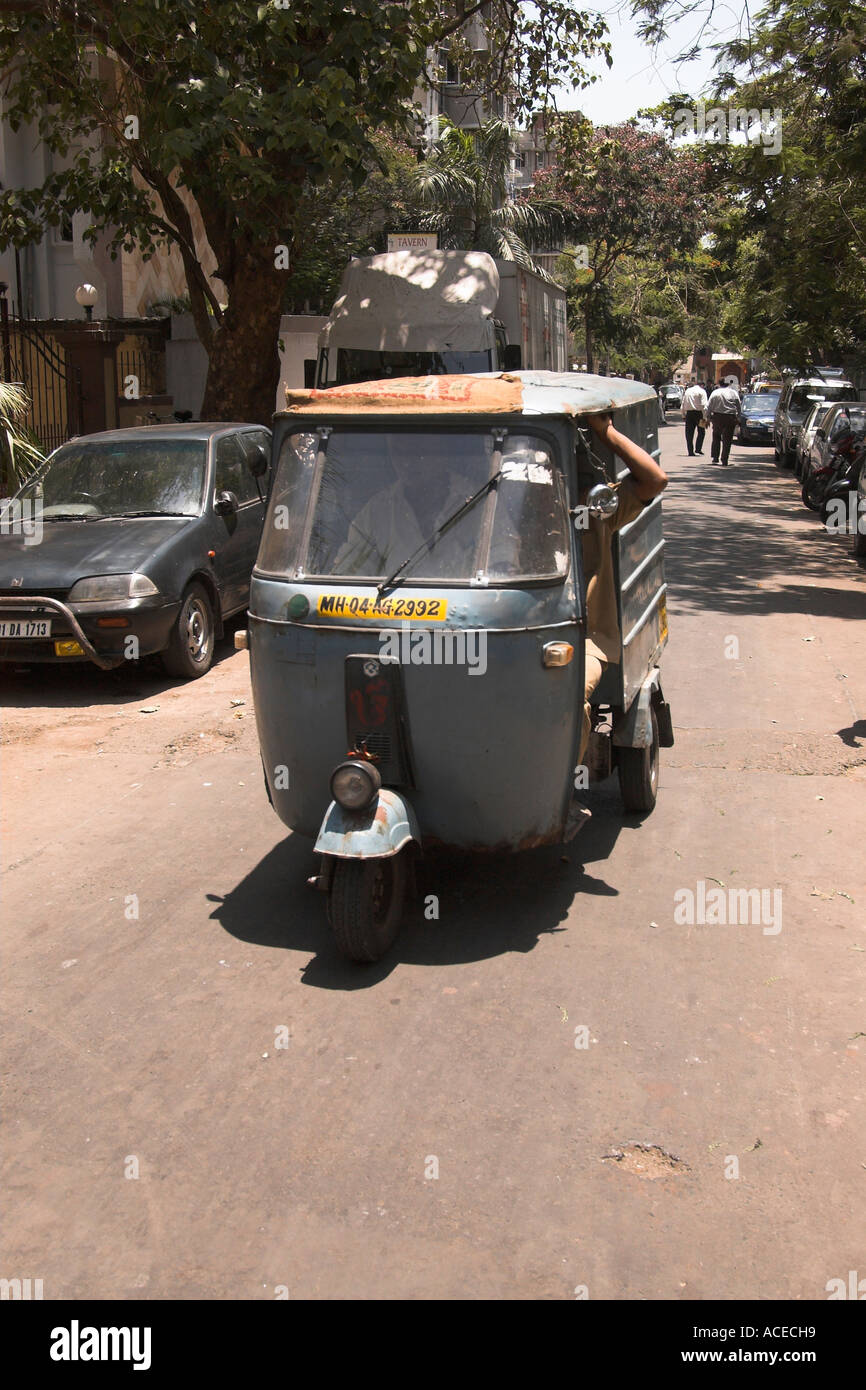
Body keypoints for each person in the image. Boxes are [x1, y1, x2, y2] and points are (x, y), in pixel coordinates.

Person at [579, 414, 669, 774]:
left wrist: (606, 432)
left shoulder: (591, 510)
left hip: (581, 636)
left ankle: (558, 791)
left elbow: (654, 480)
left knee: (566, 699)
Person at [706, 380, 741, 466]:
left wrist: (708, 417)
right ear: (728, 384)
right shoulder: (733, 393)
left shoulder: (715, 393)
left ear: (719, 384)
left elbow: (709, 406)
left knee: (716, 437)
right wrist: (738, 417)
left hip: (717, 417)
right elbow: (738, 405)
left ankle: (715, 457)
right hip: (730, 417)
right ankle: (724, 459)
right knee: (727, 439)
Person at [682, 380, 708, 456]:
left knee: (689, 433)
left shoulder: (688, 391)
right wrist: (705, 417)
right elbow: (704, 405)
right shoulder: (702, 391)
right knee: (701, 432)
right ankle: (698, 449)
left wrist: (683, 415)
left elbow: (683, 403)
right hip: (700, 414)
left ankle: (690, 451)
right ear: (702, 385)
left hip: (689, 414)